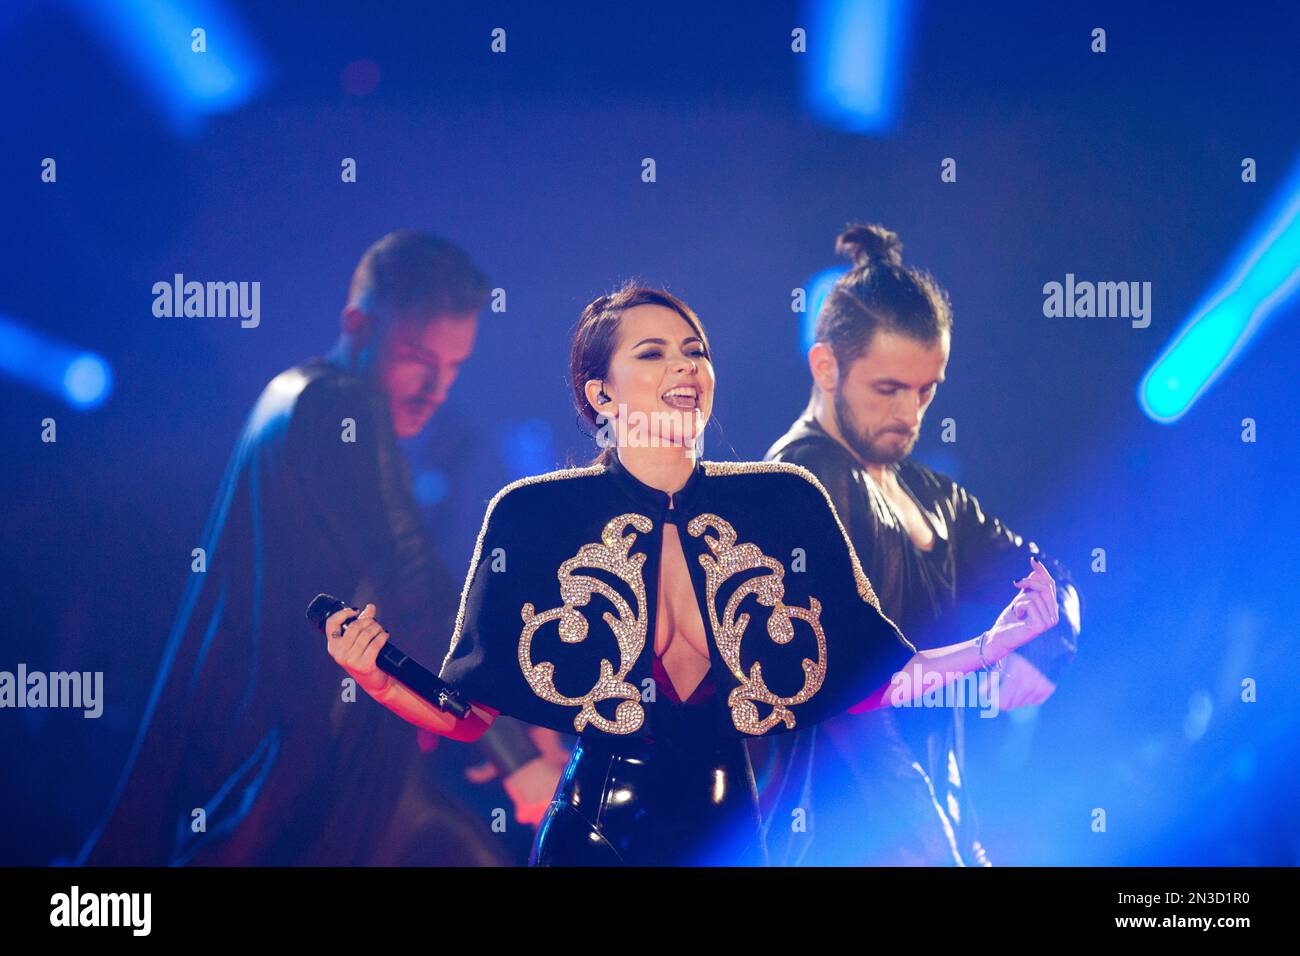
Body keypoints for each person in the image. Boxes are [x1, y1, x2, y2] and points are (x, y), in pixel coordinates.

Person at [320, 282, 1062, 866]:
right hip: (593, 839)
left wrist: (993, 645)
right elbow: (470, 711)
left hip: (738, 841)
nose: (685, 366)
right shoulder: (533, 516)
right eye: (653, 353)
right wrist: (381, 679)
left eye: (695, 350)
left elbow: (874, 682)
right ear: (599, 392)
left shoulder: (782, 501)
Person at [77, 230, 566, 867]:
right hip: (295, 783)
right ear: (359, 325)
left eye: (454, 367)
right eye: (419, 358)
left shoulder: (292, 397)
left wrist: (502, 724)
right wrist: (516, 755)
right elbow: (413, 584)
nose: (436, 389)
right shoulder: (340, 405)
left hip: (298, 773)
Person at [758, 223, 1082, 865]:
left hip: (925, 818)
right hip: (847, 833)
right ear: (827, 366)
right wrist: (926, 838)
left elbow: (1049, 575)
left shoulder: (928, 491)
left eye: (926, 390)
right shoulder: (806, 480)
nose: (910, 414)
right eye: (888, 389)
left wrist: (1048, 645)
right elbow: (846, 690)